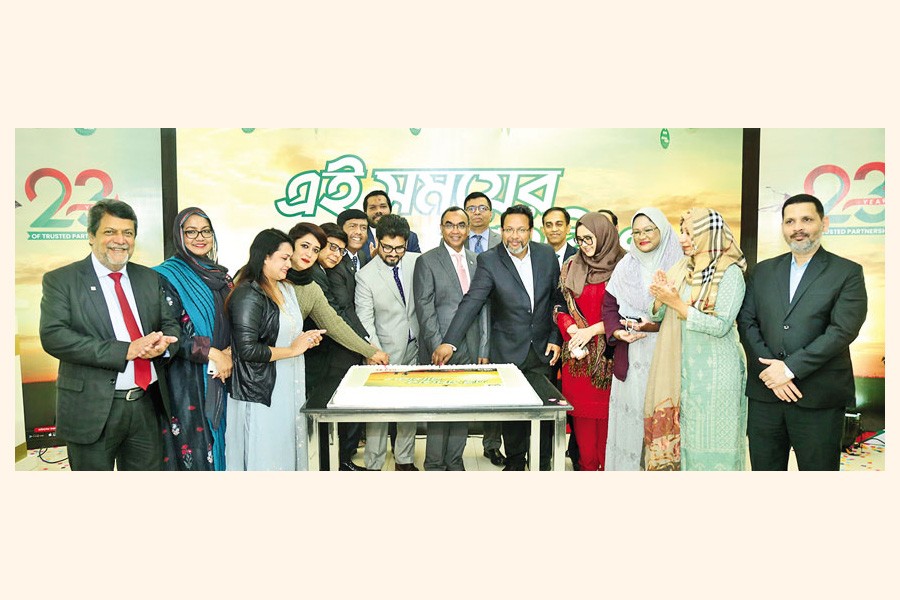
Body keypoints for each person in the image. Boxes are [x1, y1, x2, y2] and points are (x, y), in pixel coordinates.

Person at [39, 199, 179, 470]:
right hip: (91, 409)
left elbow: (170, 324)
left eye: (128, 233)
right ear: (91, 236)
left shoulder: (149, 278)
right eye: (110, 232)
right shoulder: (62, 280)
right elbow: (54, 336)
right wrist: (125, 350)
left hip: (146, 405)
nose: (120, 240)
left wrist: (163, 344)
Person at [738, 194, 867, 470]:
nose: (798, 227)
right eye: (790, 221)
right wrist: (773, 373)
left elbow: (843, 330)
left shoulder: (847, 272)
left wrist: (789, 369)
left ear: (824, 223)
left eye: (806, 219)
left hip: (819, 397)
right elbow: (747, 322)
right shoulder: (761, 271)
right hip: (766, 394)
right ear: (783, 227)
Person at [433, 205, 563, 471]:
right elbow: (472, 301)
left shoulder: (546, 255)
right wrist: (449, 341)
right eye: (508, 230)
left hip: (542, 349)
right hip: (507, 350)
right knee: (514, 414)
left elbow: (556, 299)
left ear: (531, 231)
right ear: (501, 230)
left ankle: (542, 465)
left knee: (545, 412)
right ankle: (515, 462)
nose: (514, 236)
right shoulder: (490, 260)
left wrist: (556, 337)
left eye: (521, 230)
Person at [645, 208, 748, 471]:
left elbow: (721, 325)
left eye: (690, 233)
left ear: (709, 235)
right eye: (682, 232)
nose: (682, 238)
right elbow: (657, 315)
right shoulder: (682, 268)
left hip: (717, 375)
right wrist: (660, 297)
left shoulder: (730, 273)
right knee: (686, 442)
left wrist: (676, 302)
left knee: (715, 442)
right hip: (683, 369)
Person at [288, 221, 389, 470]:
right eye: (330, 247)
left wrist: (367, 347)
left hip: (309, 354)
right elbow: (335, 318)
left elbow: (333, 318)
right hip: (300, 358)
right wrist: (368, 348)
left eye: (340, 250)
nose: (335, 254)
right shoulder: (307, 276)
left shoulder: (314, 277)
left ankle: (333, 464)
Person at [225, 228, 325, 471]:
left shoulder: (286, 288)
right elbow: (247, 350)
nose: (289, 264)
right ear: (264, 257)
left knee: (286, 448)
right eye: (284, 258)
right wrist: (292, 350)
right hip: (262, 391)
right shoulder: (248, 293)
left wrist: (305, 340)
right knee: (267, 453)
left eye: (290, 258)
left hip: (289, 384)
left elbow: (285, 334)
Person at [601, 208, 682, 471]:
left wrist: (654, 326)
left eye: (648, 230)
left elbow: (685, 310)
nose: (641, 236)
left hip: (666, 352)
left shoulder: (680, 265)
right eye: (636, 232)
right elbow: (609, 307)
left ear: (663, 230)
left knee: (662, 422)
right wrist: (617, 332)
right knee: (630, 422)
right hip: (631, 352)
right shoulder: (626, 264)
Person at [153, 207, 233, 470]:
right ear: (179, 235)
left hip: (225, 371)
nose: (200, 237)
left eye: (206, 231)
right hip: (187, 377)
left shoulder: (221, 276)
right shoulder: (165, 276)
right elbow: (170, 334)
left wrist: (230, 353)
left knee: (226, 438)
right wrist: (213, 353)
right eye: (191, 232)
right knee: (196, 445)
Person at [414, 206, 489, 471]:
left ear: (468, 229)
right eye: (449, 224)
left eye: (460, 225)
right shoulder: (427, 261)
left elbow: (484, 307)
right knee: (439, 408)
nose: (455, 230)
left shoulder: (479, 261)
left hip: (471, 345)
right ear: (441, 228)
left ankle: (455, 460)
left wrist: (483, 347)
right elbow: (424, 307)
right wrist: (437, 345)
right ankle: (435, 464)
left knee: (463, 407)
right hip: (440, 346)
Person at [554, 213, 626, 471]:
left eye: (589, 238)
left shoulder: (624, 265)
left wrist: (593, 330)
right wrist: (571, 328)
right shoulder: (571, 265)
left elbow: (630, 313)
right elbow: (560, 305)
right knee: (583, 434)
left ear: (604, 235)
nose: (584, 245)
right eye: (579, 239)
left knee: (609, 432)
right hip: (578, 361)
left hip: (611, 360)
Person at [355, 214, 421, 470]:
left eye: (399, 248)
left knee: (410, 408)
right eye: (387, 247)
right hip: (383, 353)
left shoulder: (417, 262)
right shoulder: (366, 276)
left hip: (415, 348)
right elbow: (365, 320)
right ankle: (374, 463)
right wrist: (374, 352)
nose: (393, 253)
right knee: (378, 412)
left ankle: (404, 460)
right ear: (377, 242)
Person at [462, 191, 504, 465]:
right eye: (471, 208)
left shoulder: (504, 241)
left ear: (491, 213)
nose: (476, 212)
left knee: (493, 385)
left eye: (482, 208)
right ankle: (456, 446)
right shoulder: (454, 238)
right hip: (464, 319)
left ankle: (492, 444)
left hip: (499, 320)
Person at [542, 205, 580, 467]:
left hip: (577, 339)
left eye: (559, 224)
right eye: (549, 224)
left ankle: (576, 452)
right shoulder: (535, 256)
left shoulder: (580, 257)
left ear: (568, 227)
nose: (554, 229)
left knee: (576, 399)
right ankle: (543, 455)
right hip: (544, 340)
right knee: (547, 399)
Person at [360, 190, 421, 260]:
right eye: (373, 208)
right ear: (365, 212)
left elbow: (417, 263)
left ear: (390, 209)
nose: (378, 211)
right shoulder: (358, 238)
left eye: (383, 206)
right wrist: (375, 259)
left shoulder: (410, 237)